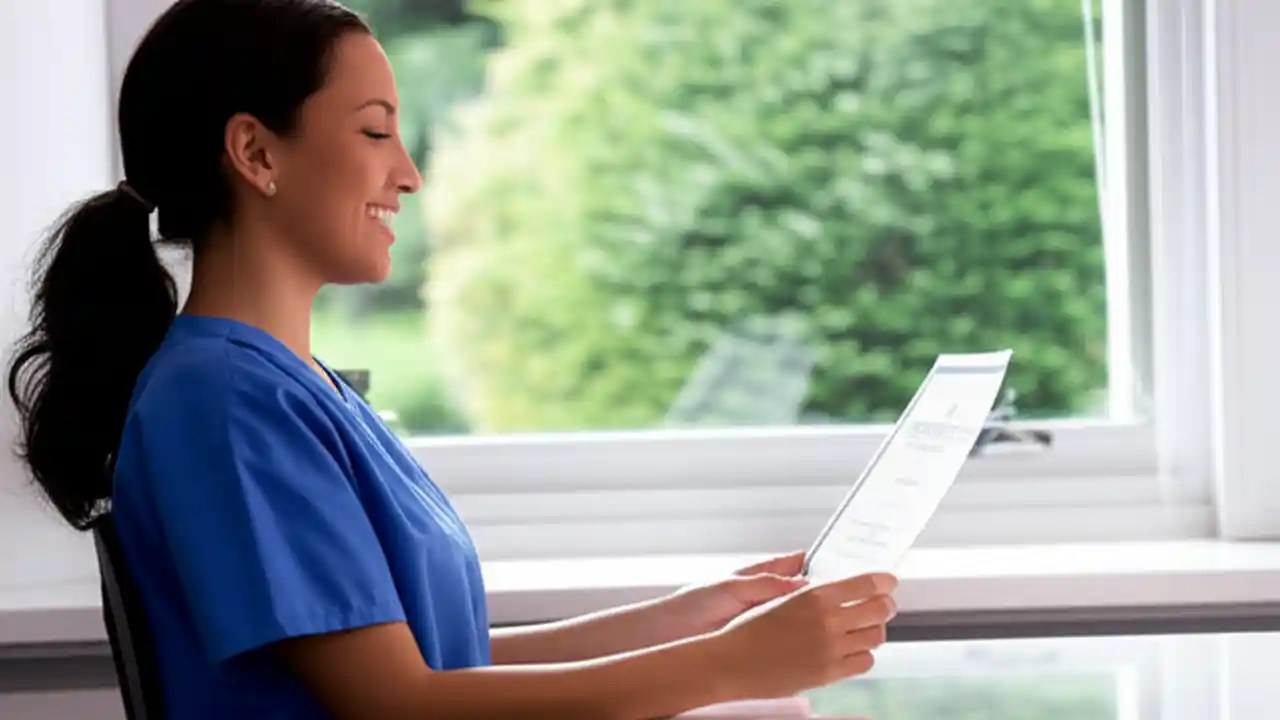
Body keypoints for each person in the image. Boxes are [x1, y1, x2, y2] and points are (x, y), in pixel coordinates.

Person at [4, 0, 898, 717]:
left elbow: (433, 663)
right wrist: (721, 669)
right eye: (373, 131)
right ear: (255, 152)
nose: (410, 173)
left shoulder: (286, 385)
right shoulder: (225, 400)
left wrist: (684, 624)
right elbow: (397, 702)